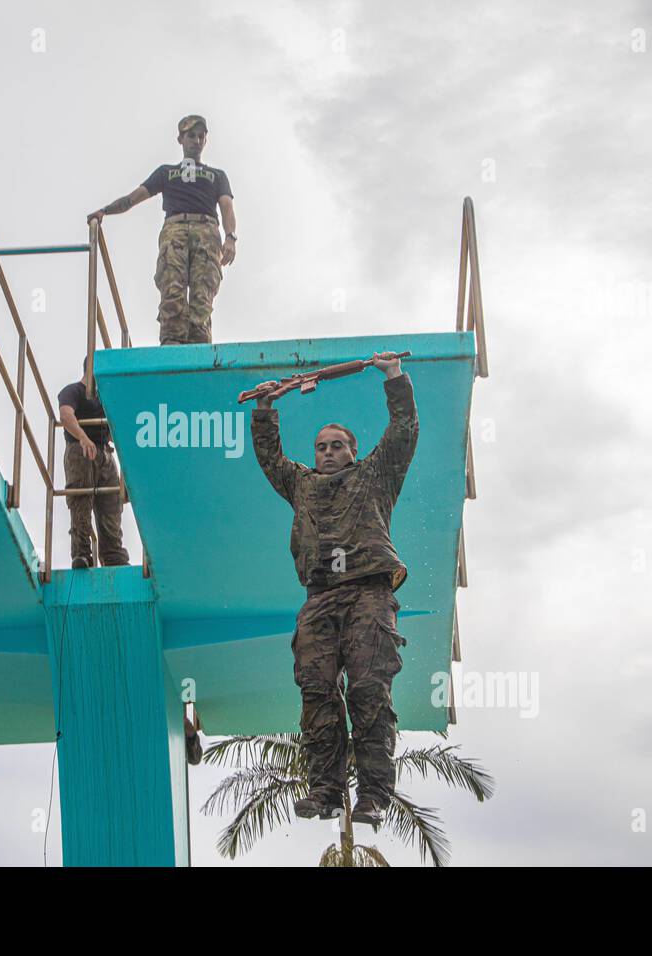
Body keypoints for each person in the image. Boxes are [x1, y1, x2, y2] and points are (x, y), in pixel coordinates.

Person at [250, 352, 420, 826]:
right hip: (319, 598)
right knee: (316, 690)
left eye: (337, 445)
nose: (327, 452)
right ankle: (324, 790)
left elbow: (403, 432)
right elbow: (270, 459)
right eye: (321, 446)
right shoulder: (301, 484)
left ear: (352, 450)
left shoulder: (374, 476)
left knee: (368, 689)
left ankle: (373, 795)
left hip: (368, 593)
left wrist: (394, 377)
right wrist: (265, 409)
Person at [86, 114, 237, 345]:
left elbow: (226, 206)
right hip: (175, 230)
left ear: (205, 141)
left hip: (207, 231)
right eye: (190, 136)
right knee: (172, 291)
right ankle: (172, 345)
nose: (196, 141)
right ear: (180, 139)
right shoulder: (167, 172)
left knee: (202, 296)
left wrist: (230, 237)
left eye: (200, 136)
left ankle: (200, 349)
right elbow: (134, 197)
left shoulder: (217, 175)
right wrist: (105, 211)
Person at [58, 356, 130, 569]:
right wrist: (82, 437)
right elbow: (65, 414)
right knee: (81, 500)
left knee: (111, 504)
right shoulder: (74, 391)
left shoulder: (104, 399)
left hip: (105, 455)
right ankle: (81, 553)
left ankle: (113, 555)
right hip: (80, 452)